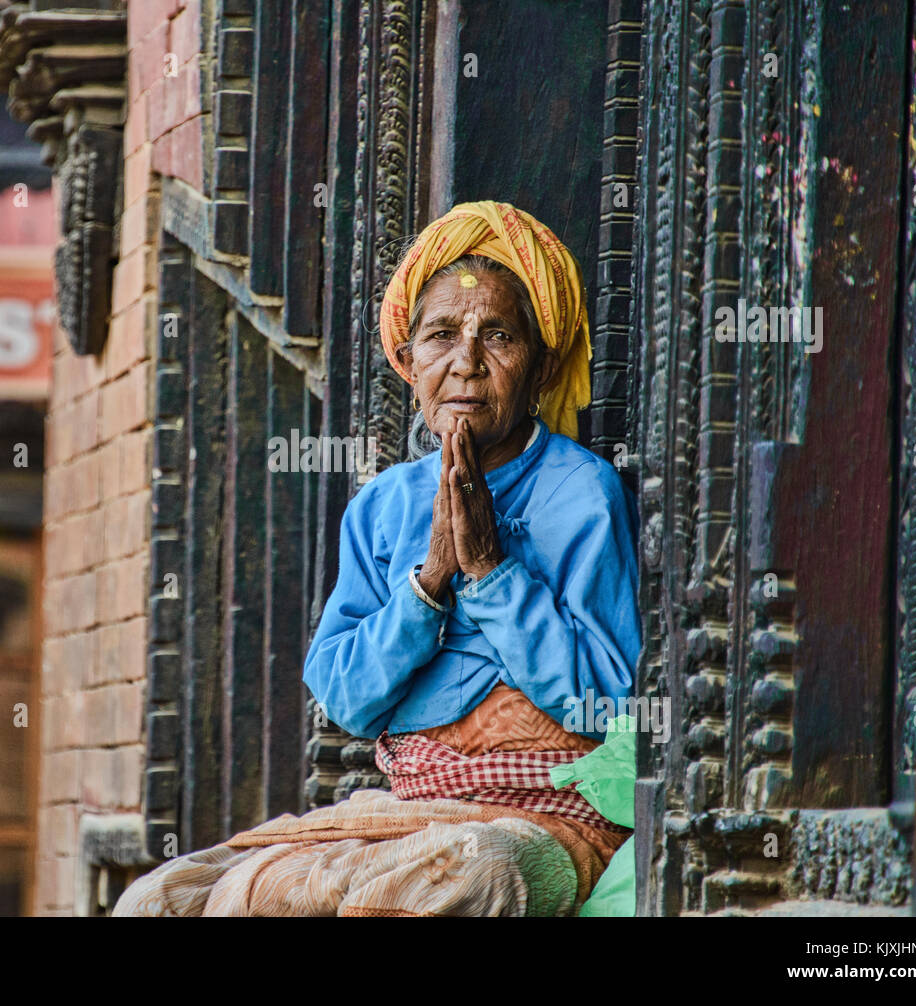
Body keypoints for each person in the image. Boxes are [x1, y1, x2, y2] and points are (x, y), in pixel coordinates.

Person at [113, 201, 641, 917]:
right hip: (408, 812)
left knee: (473, 875)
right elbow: (347, 700)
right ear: (408, 360)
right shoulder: (385, 504)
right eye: (441, 336)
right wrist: (428, 585)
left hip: (543, 823)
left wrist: (490, 571)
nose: (466, 363)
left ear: (541, 365)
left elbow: (602, 700)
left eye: (498, 336)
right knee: (160, 899)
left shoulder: (583, 491)